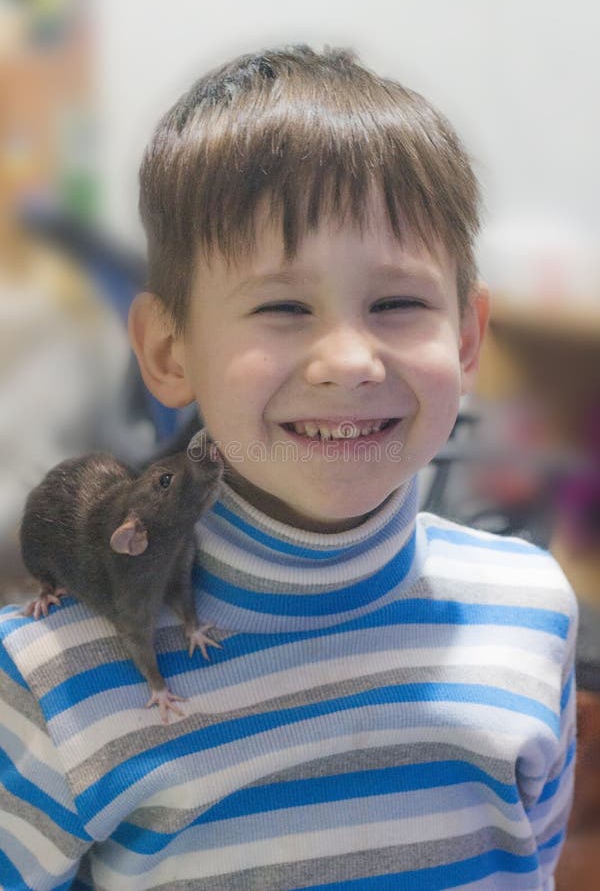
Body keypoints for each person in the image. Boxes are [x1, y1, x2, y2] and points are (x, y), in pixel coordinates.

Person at [0, 44, 577, 890]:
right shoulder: (53, 676)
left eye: (397, 303)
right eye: (282, 306)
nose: (349, 360)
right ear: (169, 349)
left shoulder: (531, 610)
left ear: (465, 338)